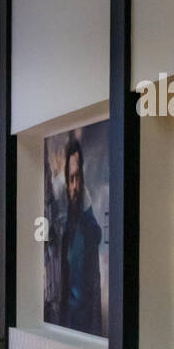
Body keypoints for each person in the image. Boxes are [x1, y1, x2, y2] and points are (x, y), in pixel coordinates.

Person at [57, 135, 104, 335]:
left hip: (85, 315)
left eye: (78, 177)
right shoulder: (61, 206)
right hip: (67, 313)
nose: (75, 186)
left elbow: (94, 233)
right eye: (71, 179)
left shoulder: (85, 205)